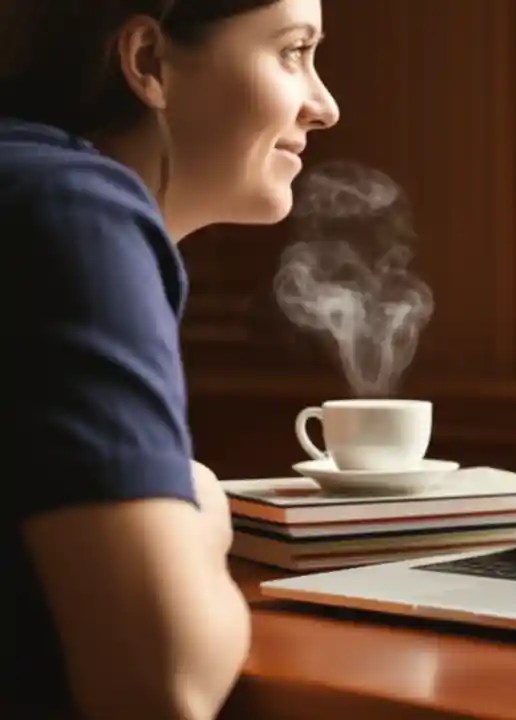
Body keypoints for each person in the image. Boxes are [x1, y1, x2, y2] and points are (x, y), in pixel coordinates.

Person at [0, 0, 340, 717]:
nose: (325, 105)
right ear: (148, 62)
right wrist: (204, 504)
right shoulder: (75, 212)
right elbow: (163, 683)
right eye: (291, 50)